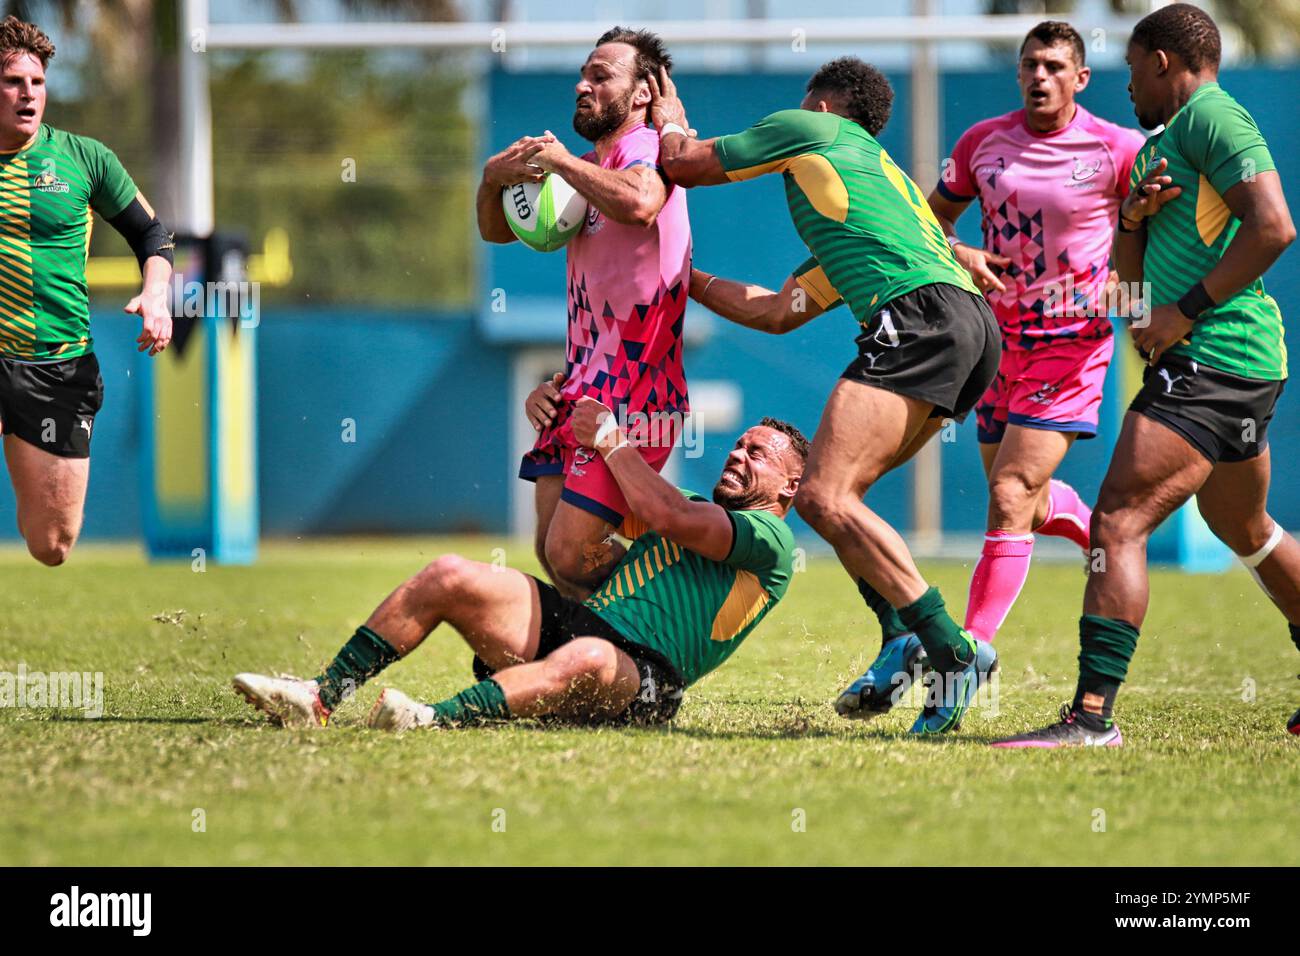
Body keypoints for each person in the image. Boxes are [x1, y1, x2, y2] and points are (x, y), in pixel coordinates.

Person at [649, 56, 1001, 734]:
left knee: (820, 497)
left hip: (918, 318)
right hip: (968, 326)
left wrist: (670, 126)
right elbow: (781, 309)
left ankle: (953, 653)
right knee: (839, 500)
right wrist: (687, 279)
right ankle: (901, 637)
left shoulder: (810, 129)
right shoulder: (868, 192)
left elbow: (686, 164)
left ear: (823, 106)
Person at [994, 4, 1299, 746]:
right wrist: (1131, 222)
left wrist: (1184, 313)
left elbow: (1275, 227)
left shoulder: (1215, 120)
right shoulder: (1167, 143)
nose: (1127, 87)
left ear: (1163, 61)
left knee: (1118, 523)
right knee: (1246, 527)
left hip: (1215, 356)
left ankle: (1091, 718)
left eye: (1132, 70)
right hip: (1231, 363)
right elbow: (1127, 297)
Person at [838, 21, 1143, 709]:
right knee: (1021, 505)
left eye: (1055, 66)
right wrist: (964, 253)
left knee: (1007, 496)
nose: (1040, 76)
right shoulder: (982, 142)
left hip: (1072, 345)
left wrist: (1140, 300)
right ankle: (1096, 533)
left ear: (1081, 77)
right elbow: (924, 218)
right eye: (1030, 64)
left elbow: (1155, 231)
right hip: (996, 344)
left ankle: (962, 657)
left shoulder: (1118, 150)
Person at [233, 404, 806, 730]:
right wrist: (554, 435)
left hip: (648, 680)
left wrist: (609, 439)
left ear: (790, 486)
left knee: (588, 656)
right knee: (449, 573)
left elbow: (670, 514)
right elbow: (562, 533)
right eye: (737, 446)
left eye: (757, 454)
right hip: (580, 626)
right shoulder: (684, 503)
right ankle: (321, 697)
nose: (737, 454)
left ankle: (431, 719)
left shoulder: (770, 540)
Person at [477, 26, 691, 601]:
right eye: (583, 74)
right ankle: (608, 680)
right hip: (580, 385)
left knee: (574, 552)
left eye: (601, 76)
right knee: (556, 554)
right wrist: (493, 179)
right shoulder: (585, 177)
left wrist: (564, 162)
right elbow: (495, 232)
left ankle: (692, 592)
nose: (582, 85)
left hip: (639, 385)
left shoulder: (648, 148)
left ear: (643, 92)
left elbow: (642, 202)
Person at [0, 15, 173, 566]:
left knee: (52, 543)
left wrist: (157, 295)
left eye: (38, 83)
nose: (28, 94)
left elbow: (152, 234)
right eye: (12, 82)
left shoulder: (84, 158)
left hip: (57, 366)